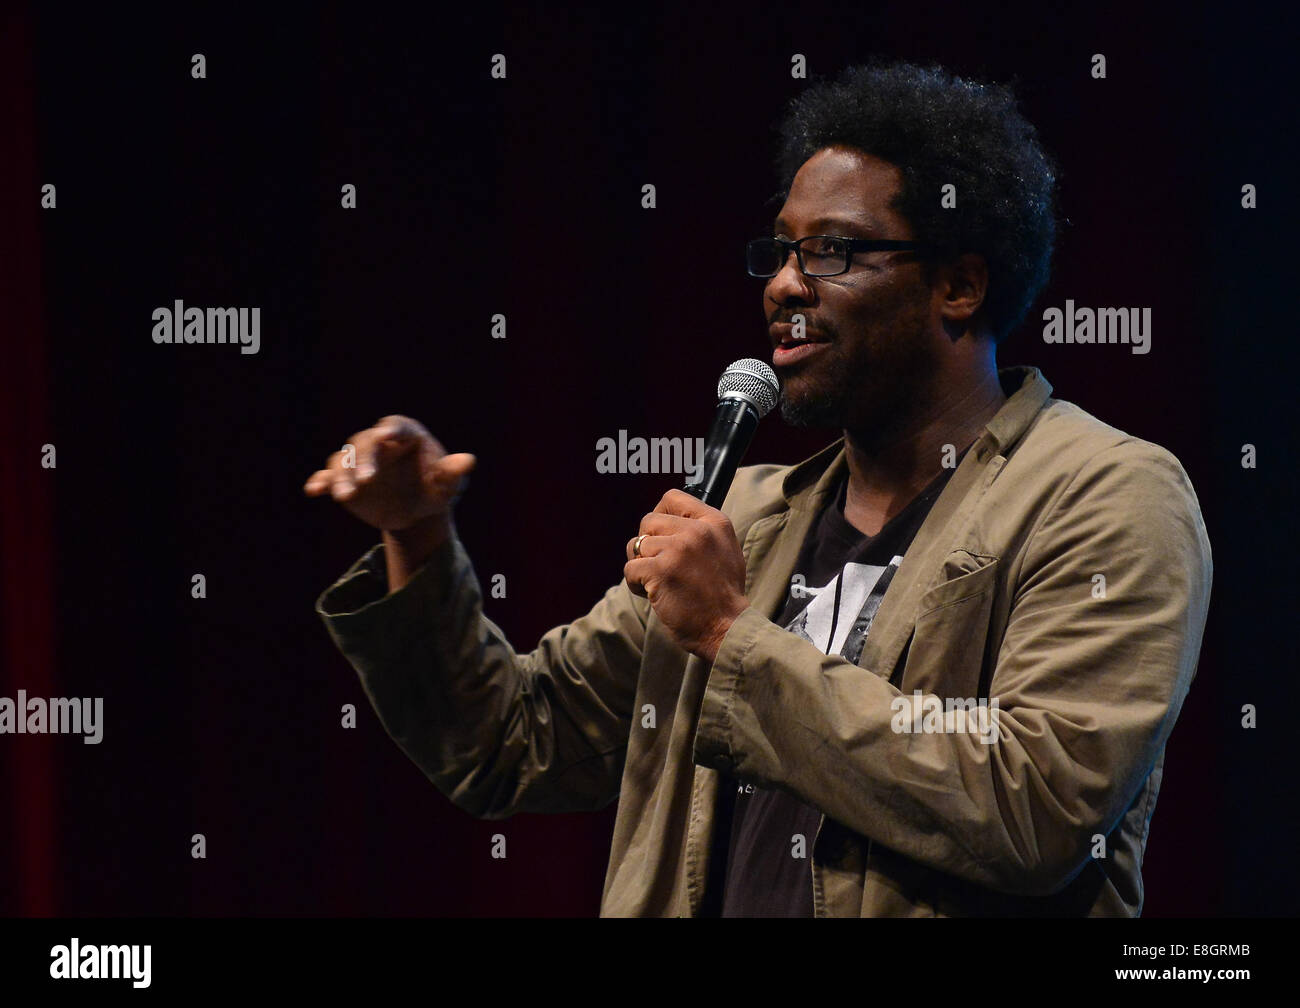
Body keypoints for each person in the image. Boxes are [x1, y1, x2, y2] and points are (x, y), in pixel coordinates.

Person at [304, 61, 1212, 916]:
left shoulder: (1103, 494)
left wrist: (731, 638)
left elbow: (1041, 807)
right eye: (780, 251)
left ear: (960, 284)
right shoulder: (748, 517)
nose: (784, 285)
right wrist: (417, 539)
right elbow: (510, 742)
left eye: (834, 252)